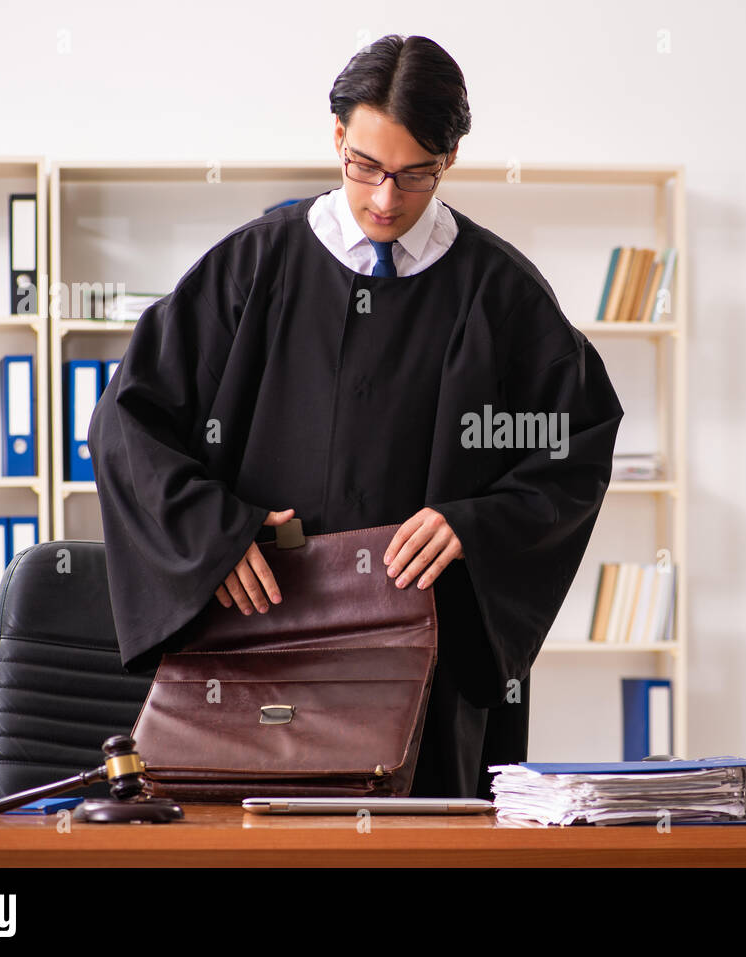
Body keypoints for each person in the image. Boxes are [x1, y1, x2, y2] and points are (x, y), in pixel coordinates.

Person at [88, 34, 624, 799]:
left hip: (427, 663)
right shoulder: (253, 267)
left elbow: (574, 448)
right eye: (365, 166)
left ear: (452, 158)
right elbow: (126, 421)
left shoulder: (499, 293)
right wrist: (213, 532)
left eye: (413, 176)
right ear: (338, 136)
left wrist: (478, 523)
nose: (383, 198)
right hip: (261, 646)